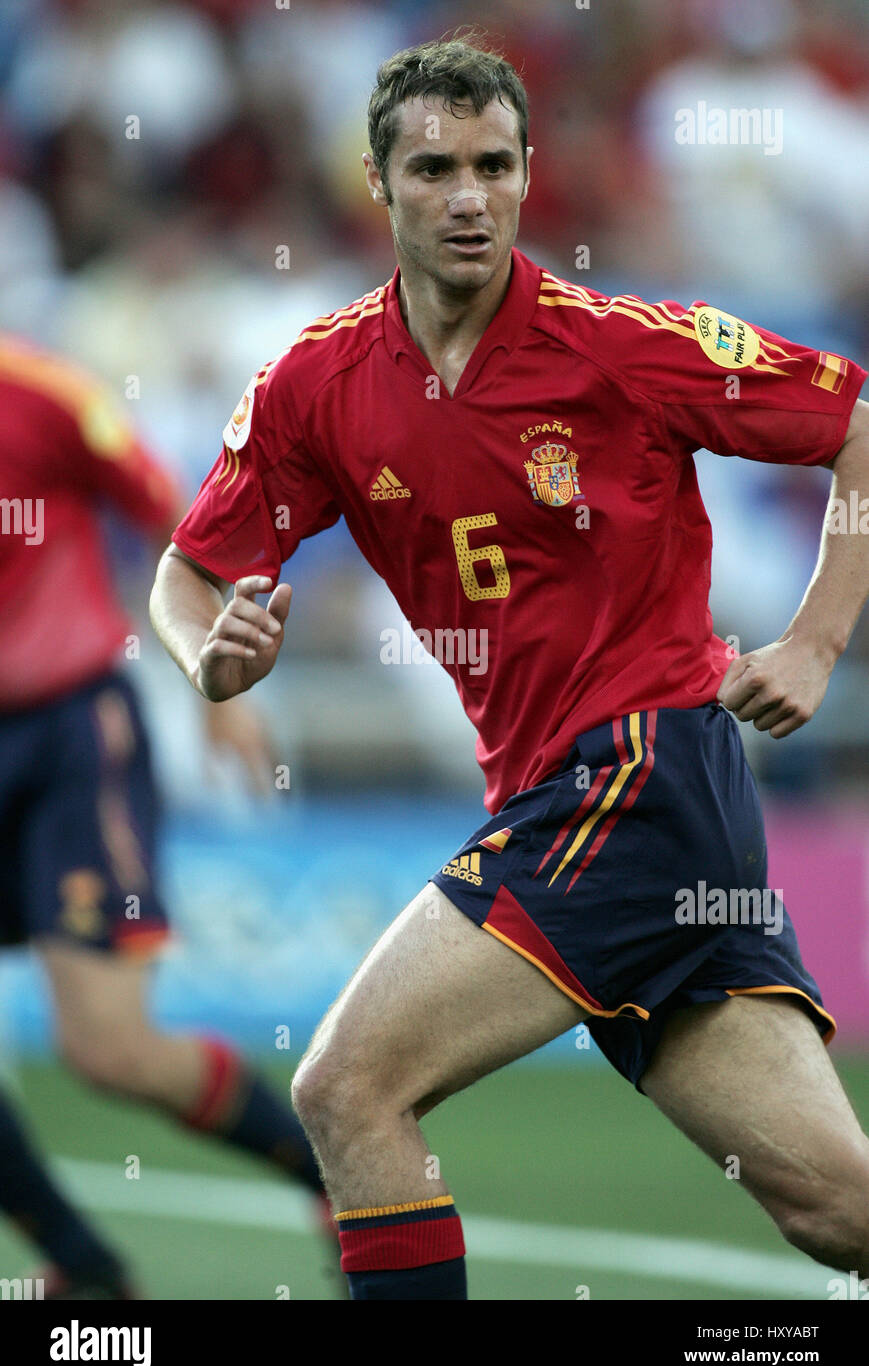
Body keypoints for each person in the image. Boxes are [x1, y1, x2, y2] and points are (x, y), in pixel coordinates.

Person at [150, 36, 869, 1301]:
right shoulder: (316, 386)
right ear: (378, 184)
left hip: (636, 776)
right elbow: (184, 573)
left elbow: (854, 423)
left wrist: (814, 636)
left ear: (530, 174)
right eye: (433, 168)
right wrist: (206, 659)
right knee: (833, 1207)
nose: (468, 195)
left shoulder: (616, 345)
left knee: (347, 1087)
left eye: (493, 164)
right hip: (577, 804)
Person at [0, 334, 330, 1298]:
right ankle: (87, 1268)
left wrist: (218, 692)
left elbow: (175, 524)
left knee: (110, 1052)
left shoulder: (43, 397)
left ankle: (343, 1186)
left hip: (68, 738)